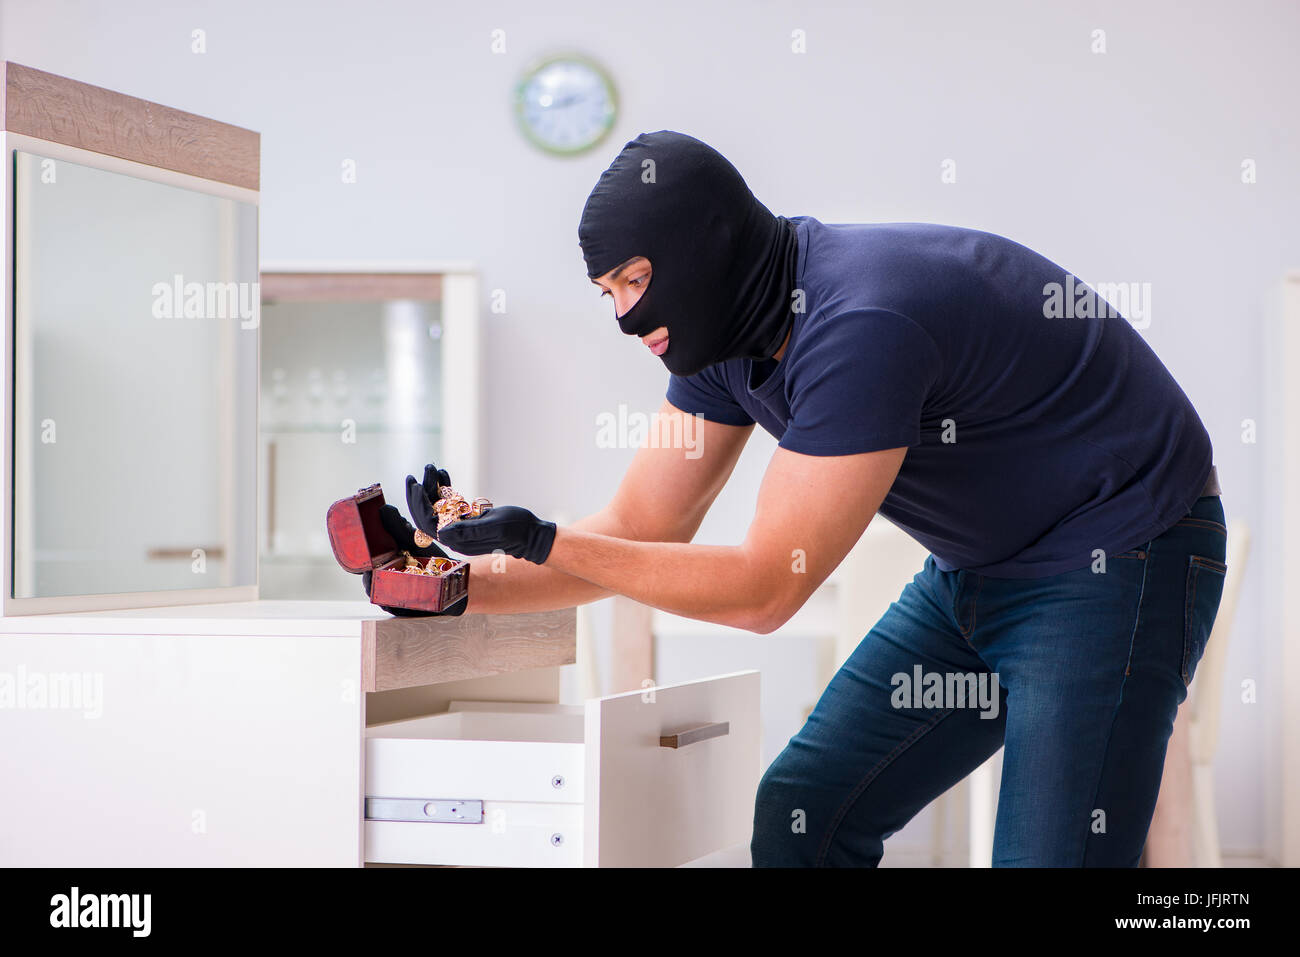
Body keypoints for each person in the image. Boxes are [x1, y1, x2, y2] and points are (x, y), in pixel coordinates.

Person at [374, 129, 1228, 867]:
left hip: (1122, 553)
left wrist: (543, 540)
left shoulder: (859, 324)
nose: (627, 319)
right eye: (608, 294)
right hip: (981, 569)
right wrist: (453, 579)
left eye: (636, 281)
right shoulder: (722, 333)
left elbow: (764, 590)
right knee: (807, 812)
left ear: (704, 249)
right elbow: (642, 525)